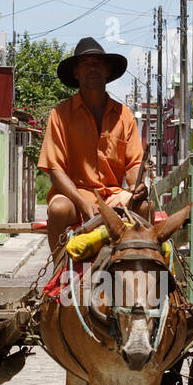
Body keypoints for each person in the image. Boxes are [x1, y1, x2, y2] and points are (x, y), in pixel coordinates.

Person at [39, 37, 148, 254]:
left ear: (108, 71)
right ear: (76, 73)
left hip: (114, 195)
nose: (92, 68)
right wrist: (81, 202)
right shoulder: (60, 115)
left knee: (145, 206)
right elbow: (55, 170)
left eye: (98, 62)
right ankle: (58, 273)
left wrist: (137, 187)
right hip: (74, 195)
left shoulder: (124, 115)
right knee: (58, 209)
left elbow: (134, 164)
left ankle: (141, 267)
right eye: (86, 63)